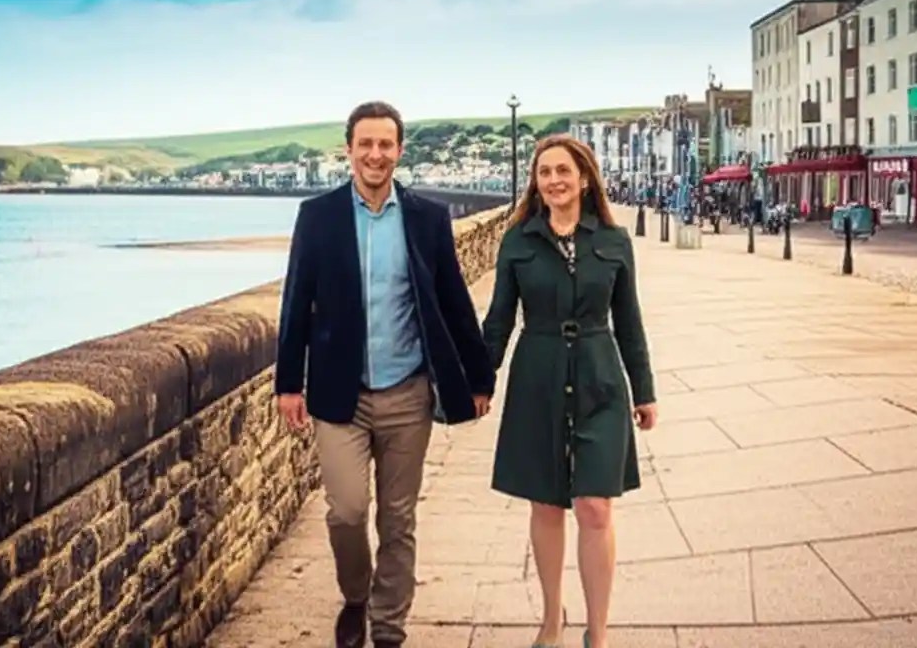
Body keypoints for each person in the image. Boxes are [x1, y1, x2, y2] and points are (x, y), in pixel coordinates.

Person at [274, 100, 496, 648]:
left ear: (400, 150)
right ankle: (356, 596)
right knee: (346, 512)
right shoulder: (318, 216)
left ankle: (389, 627)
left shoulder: (427, 218)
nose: (375, 154)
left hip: (407, 393)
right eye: (365, 144)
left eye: (385, 144)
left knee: (398, 519)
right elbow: (296, 301)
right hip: (338, 396)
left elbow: (453, 301)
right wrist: (288, 383)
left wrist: (478, 377)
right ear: (348, 150)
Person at [480, 133, 658, 648]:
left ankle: (597, 632)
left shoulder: (614, 241)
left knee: (595, 507)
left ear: (583, 178)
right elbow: (498, 320)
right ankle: (551, 619)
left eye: (563, 171)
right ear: (535, 183)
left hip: (600, 377)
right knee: (545, 503)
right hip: (536, 375)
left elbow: (629, 322)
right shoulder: (518, 241)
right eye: (544, 172)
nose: (553, 180)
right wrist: (480, 381)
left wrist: (643, 390)